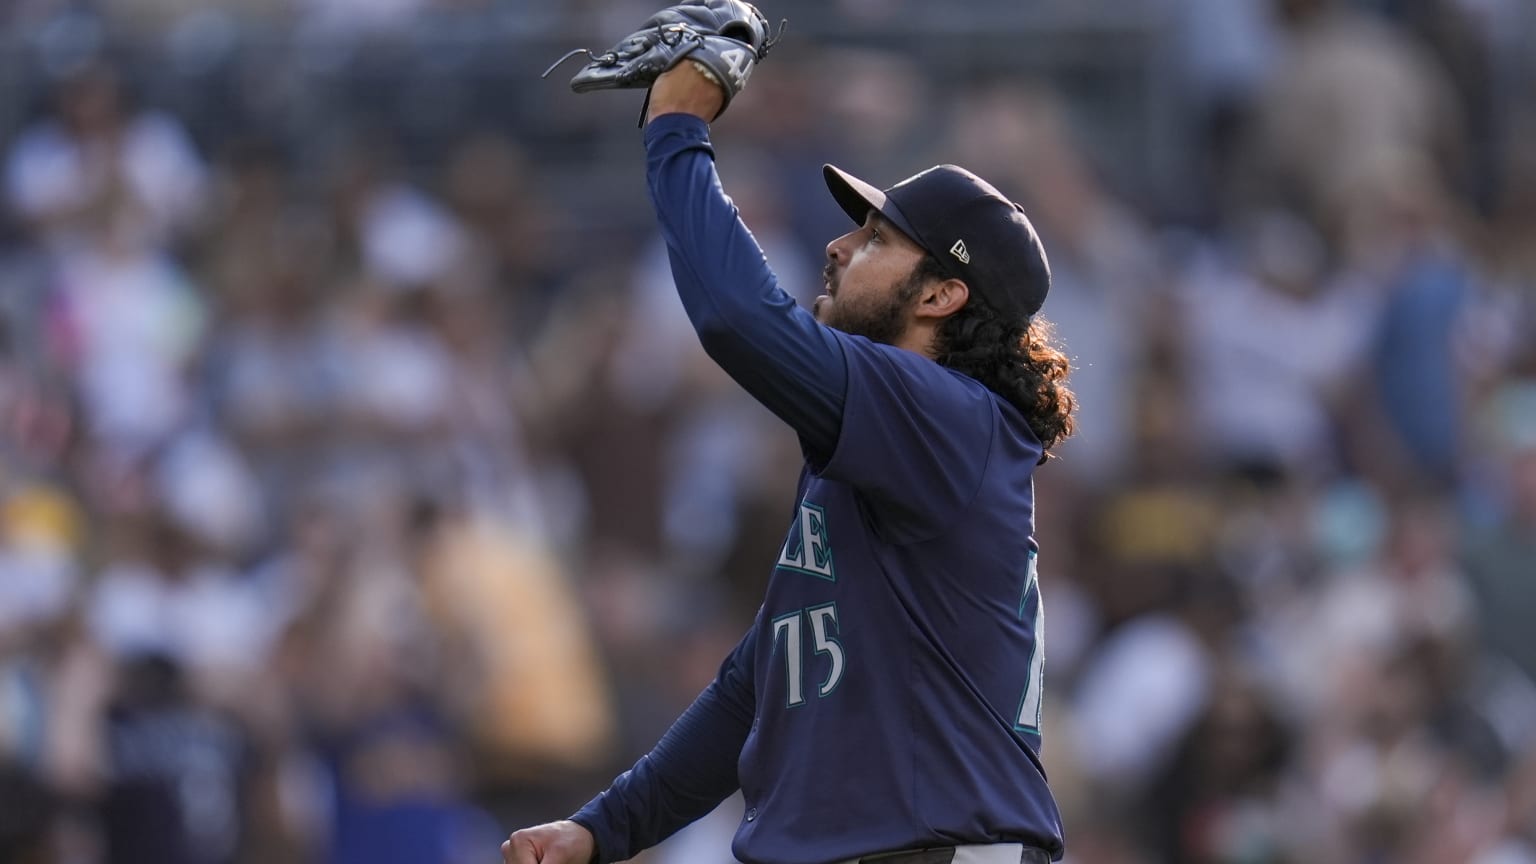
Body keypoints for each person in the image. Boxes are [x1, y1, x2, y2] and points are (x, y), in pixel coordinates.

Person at [504, 54, 1078, 864]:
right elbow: (763, 681)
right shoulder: (902, 440)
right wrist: (604, 828)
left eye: (878, 237)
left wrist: (678, 128)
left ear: (941, 295)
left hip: (933, 849)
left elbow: (739, 317)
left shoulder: (943, 416)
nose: (841, 246)